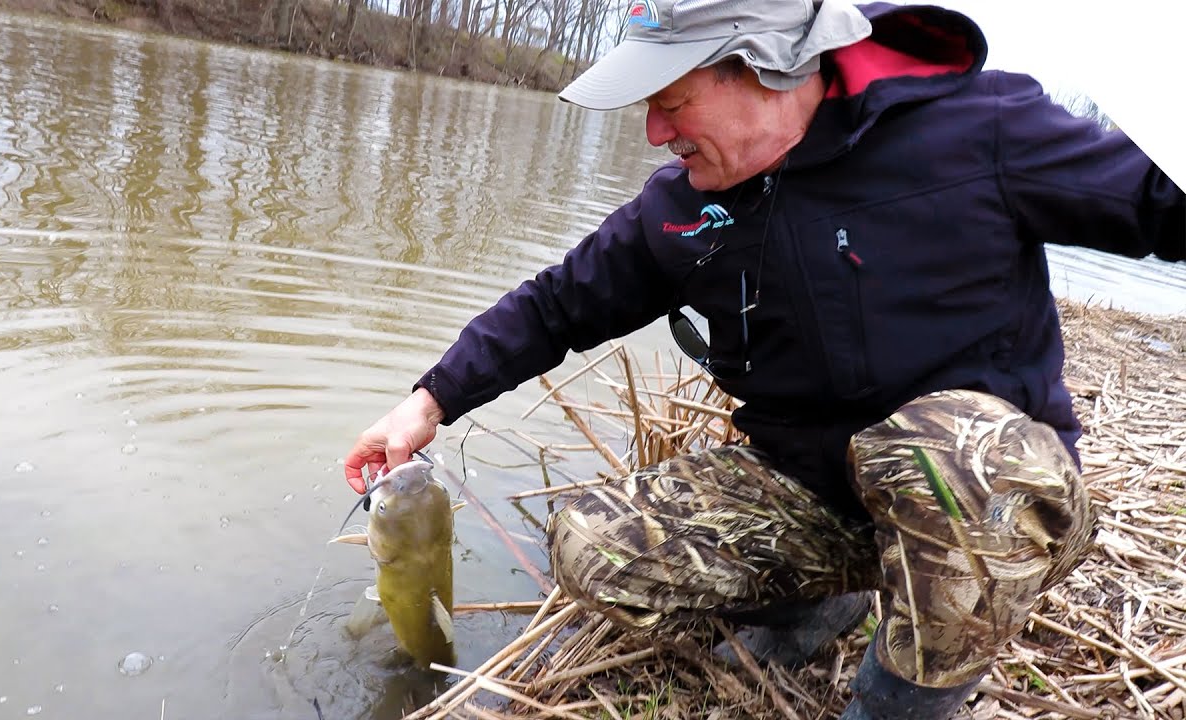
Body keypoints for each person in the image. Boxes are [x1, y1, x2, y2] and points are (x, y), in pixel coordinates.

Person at [343, 0, 1185, 717]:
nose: (653, 131)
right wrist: (427, 404)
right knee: (594, 546)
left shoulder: (979, 131)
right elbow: (557, 303)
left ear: (766, 67)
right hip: (821, 498)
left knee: (944, 451)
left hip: (990, 500)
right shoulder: (679, 210)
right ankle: (822, 603)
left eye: (672, 101)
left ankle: (899, 702)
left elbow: (1157, 198)